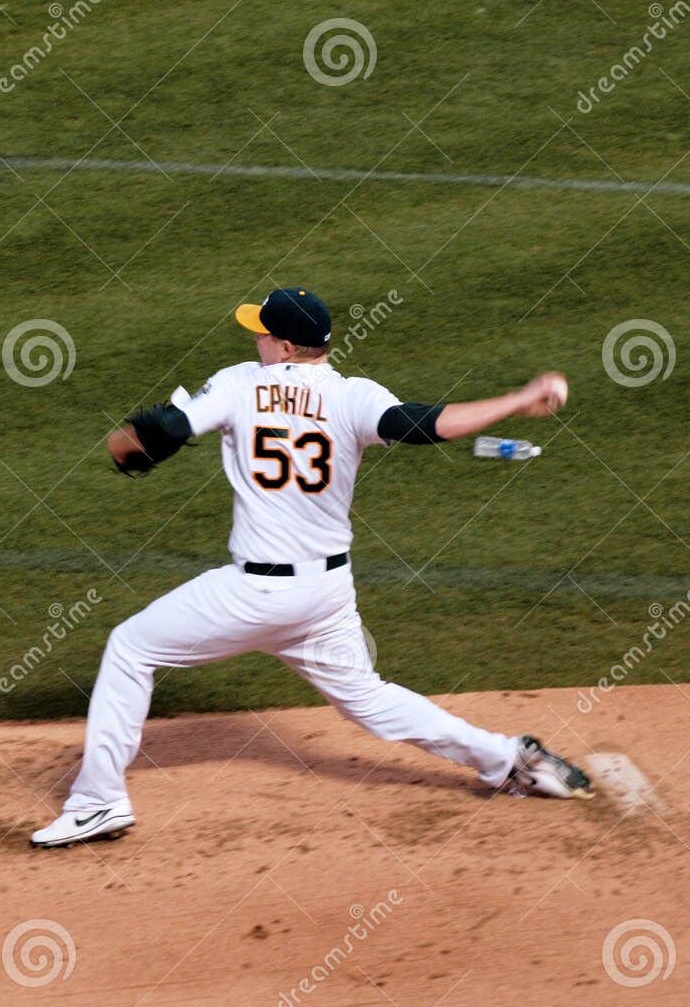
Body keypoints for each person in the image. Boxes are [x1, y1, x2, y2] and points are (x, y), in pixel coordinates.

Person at [32, 288, 593, 849]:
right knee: (369, 700)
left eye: (260, 333)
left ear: (281, 346)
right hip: (325, 594)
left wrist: (126, 444)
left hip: (254, 593)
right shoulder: (354, 395)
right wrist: (517, 400)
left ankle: (97, 802)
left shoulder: (238, 383)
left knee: (131, 647)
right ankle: (508, 759)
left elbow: (163, 432)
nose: (254, 341)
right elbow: (424, 424)